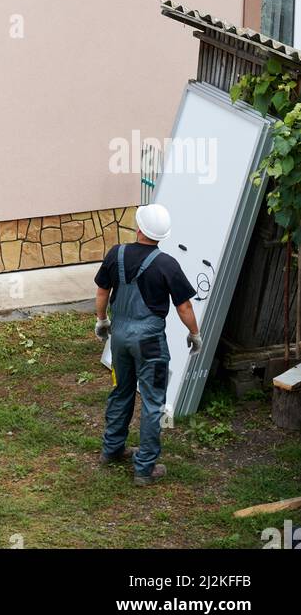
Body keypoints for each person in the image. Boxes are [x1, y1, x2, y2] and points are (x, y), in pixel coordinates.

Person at [94, 203, 201, 485]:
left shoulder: (115, 254)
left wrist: (102, 320)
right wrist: (194, 334)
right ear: (161, 236)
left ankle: (112, 449)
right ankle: (144, 468)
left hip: (119, 337)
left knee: (122, 390)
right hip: (150, 343)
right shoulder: (166, 264)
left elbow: (103, 290)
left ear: (139, 228)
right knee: (153, 402)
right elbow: (184, 306)